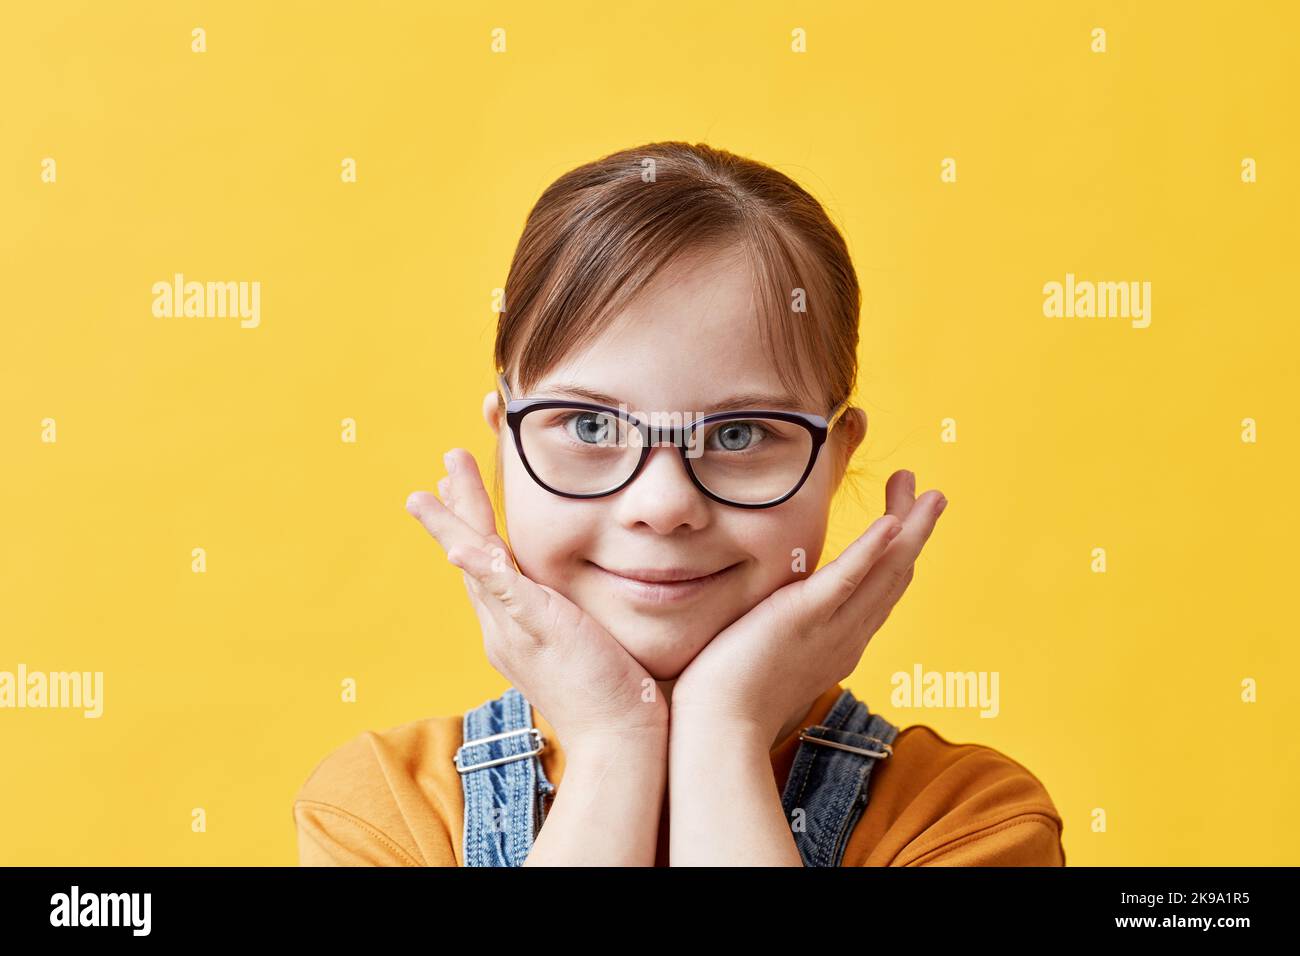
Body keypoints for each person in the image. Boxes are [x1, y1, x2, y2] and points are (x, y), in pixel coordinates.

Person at [293, 141, 1065, 866]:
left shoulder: (960, 820)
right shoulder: (388, 814)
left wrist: (722, 736)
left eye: (737, 435)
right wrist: (613, 742)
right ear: (504, 443)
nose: (662, 505)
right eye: (590, 424)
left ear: (837, 459)